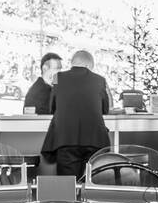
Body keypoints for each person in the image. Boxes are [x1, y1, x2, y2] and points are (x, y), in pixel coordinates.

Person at [41, 49, 112, 179]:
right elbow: (105, 109)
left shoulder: (57, 78)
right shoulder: (100, 80)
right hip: (94, 141)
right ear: (89, 66)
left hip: (65, 140)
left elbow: (52, 107)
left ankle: (68, 199)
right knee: (92, 182)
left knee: (67, 186)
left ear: (73, 63)